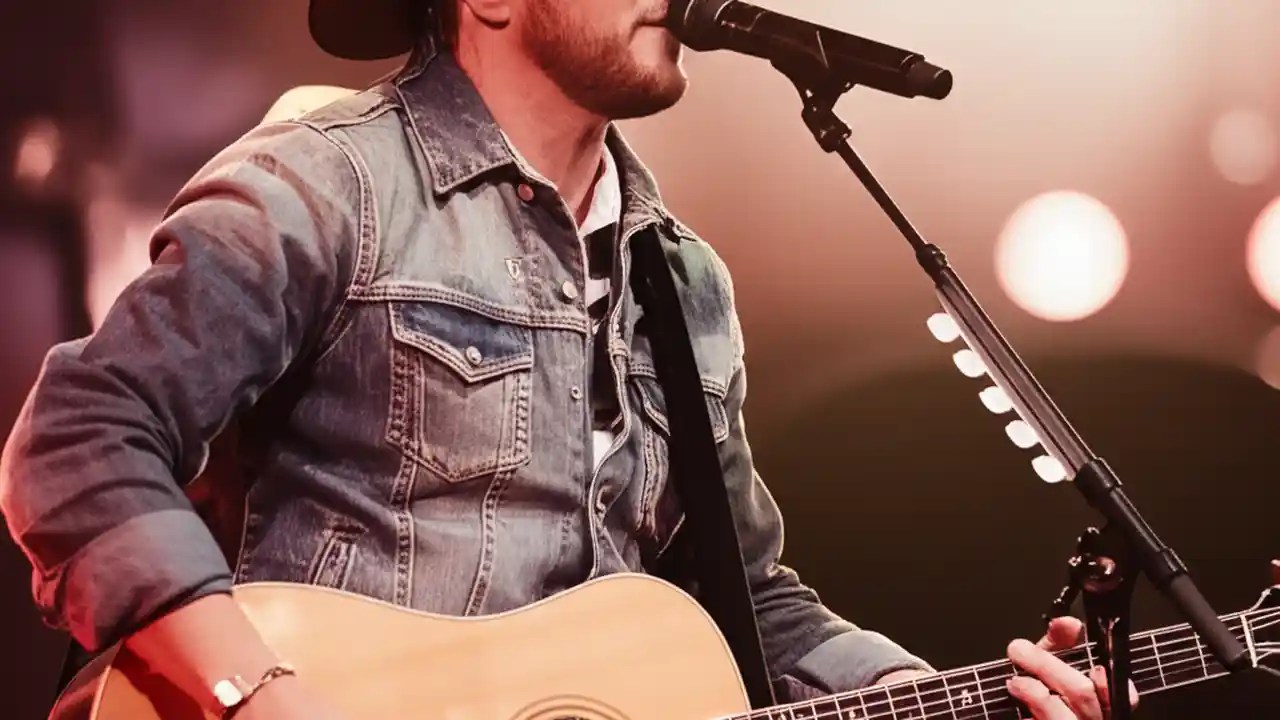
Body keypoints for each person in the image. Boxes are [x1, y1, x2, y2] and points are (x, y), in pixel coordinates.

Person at [0, 1, 1128, 718]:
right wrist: (260, 692)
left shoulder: (684, 282)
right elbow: (79, 442)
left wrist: (924, 698)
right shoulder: (324, 185)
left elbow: (746, 598)